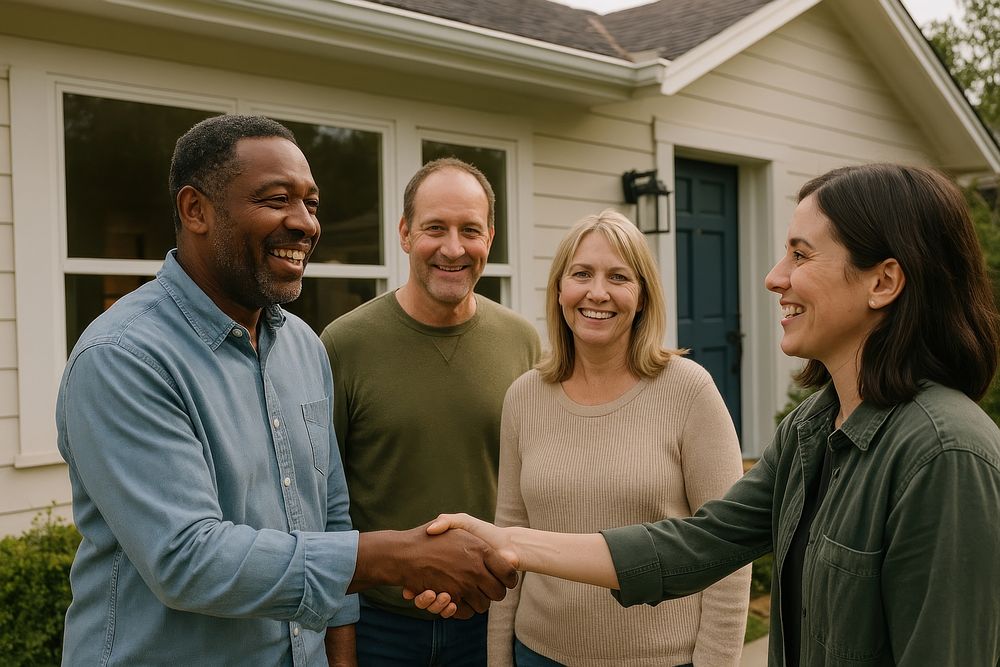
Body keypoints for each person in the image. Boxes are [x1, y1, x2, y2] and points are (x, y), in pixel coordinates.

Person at [422, 164, 1000, 666]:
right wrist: (505, 541)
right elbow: (695, 546)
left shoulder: (945, 455)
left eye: (800, 255)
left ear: (884, 281)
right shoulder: (812, 430)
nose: (775, 277)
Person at [56, 115, 515, 666]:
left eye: (311, 204)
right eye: (276, 200)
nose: (304, 224)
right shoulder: (124, 357)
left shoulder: (301, 345)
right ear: (194, 210)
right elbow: (187, 560)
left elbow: (330, 517)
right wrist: (396, 557)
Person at [487, 210, 749, 666]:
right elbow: (509, 536)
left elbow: (729, 552)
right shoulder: (524, 397)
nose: (597, 293)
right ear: (560, 289)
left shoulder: (690, 391)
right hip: (539, 653)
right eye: (581, 274)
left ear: (643, 296)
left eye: (618, 277)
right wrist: (498, 656)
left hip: (661, 659)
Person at [319, 157, 541, 665]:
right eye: (434, 228)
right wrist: (342, 643)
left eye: (470, 230)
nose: (453, 248)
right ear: (404, 232)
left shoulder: (523, 342)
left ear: (491, 236)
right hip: (379, 627)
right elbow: (324, 508)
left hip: (493, 619)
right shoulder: (345, 343)